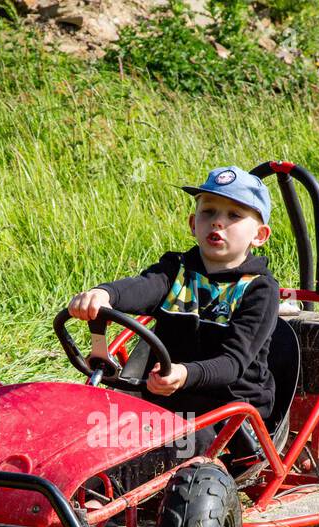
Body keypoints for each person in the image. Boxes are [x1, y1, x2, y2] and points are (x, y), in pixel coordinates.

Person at [66, 165, 280, 464]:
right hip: (165, 398)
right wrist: (104, 294)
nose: (217, 222)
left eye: (234, 215)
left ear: (259, 235)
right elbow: (140, 288)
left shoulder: (259, 290)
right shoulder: (175, 271)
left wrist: (184, 374)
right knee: (94, 423)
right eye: (208, 212)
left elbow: (233, 363)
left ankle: (101, 499)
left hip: (229, 413)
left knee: (180, 441)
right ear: (193, 223)